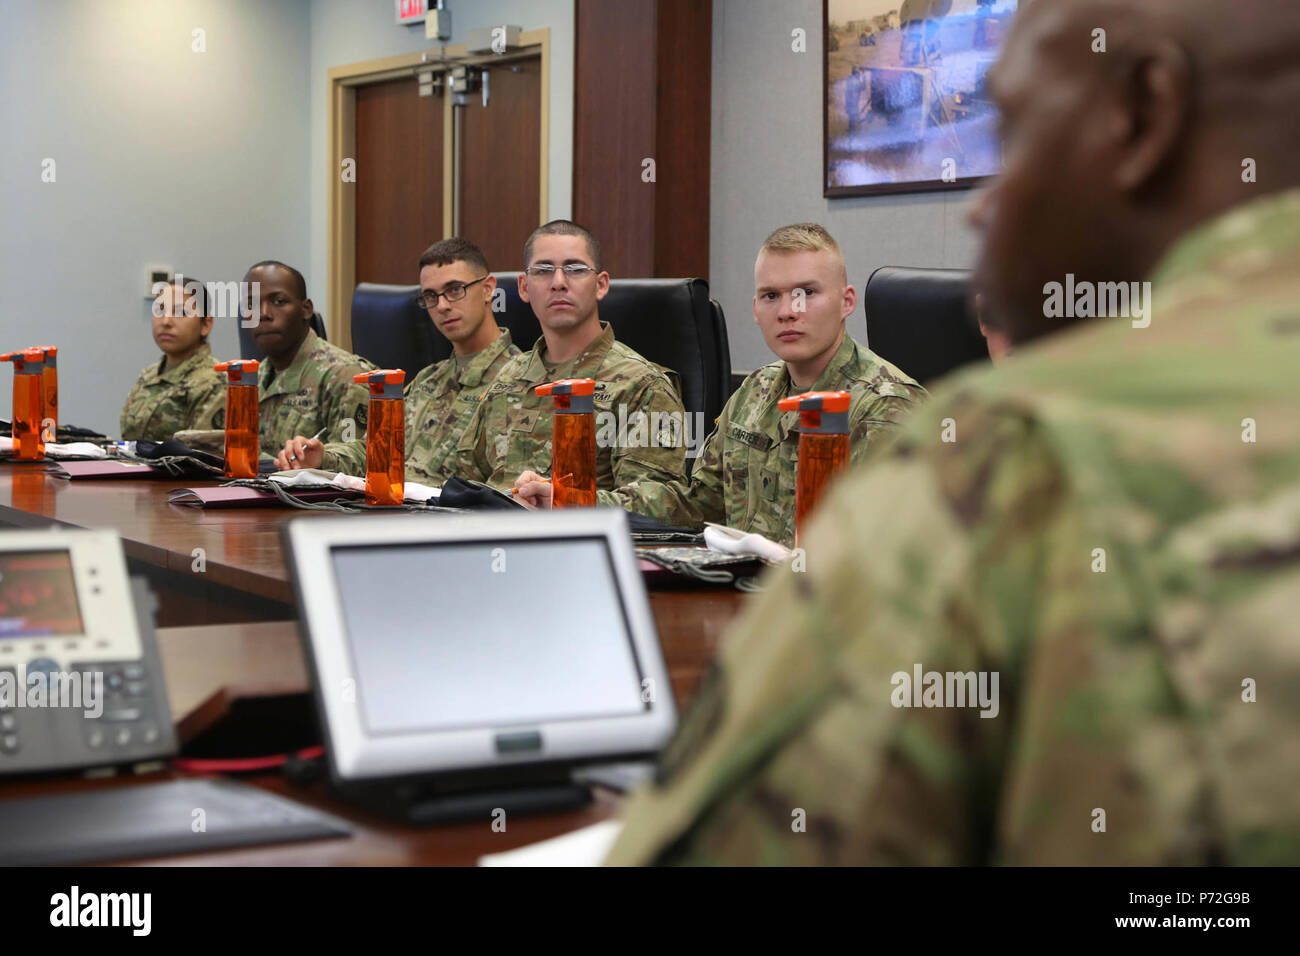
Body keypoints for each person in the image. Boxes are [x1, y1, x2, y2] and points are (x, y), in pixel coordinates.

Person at [608, 0, 1300, 865]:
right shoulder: (759, 399)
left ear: (1146, 111)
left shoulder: (1016, 456)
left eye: (1007, 133)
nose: (980, 208)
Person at [515, 224, 925, 547]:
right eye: (770, 296)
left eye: (806, 293)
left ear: (847, 301)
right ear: (754, 309)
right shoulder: (755, 392)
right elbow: (696, 505)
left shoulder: (886, 407)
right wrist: (572, 500)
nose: (787, 311)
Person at [437, 220, 687, 491]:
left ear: (601, 285)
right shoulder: (508, 377)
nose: (558, 282)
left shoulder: (643, 386)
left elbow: (660, 504)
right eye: (543, 271)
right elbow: (461, 481)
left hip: (578, 532)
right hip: (495, 529)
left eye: (575, 269)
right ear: (523, 287)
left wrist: (564, 502)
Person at [274, 238, 519, 480]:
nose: (442, 305)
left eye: (455, 290)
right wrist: (322, 458)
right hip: (392, 511)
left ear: (488, 289)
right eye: (431, 296)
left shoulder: (519, 381)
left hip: (452, 517)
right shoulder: (428, 380)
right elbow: (376, 449)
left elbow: (507, 488)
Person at [244, 260, 374, 457]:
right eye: (251, 305)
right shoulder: (252, 378)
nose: (263, 314)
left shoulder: (347, 377)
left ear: (306, 309)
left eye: (278, 302)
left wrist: (320, 458)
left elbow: (361, 459)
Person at [120, 277, 225, 440]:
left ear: (206, 324)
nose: (166, 321)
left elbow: (201, 455)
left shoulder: (215, 381)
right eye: (160, 310)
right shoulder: (149, 375)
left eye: (182, 312)